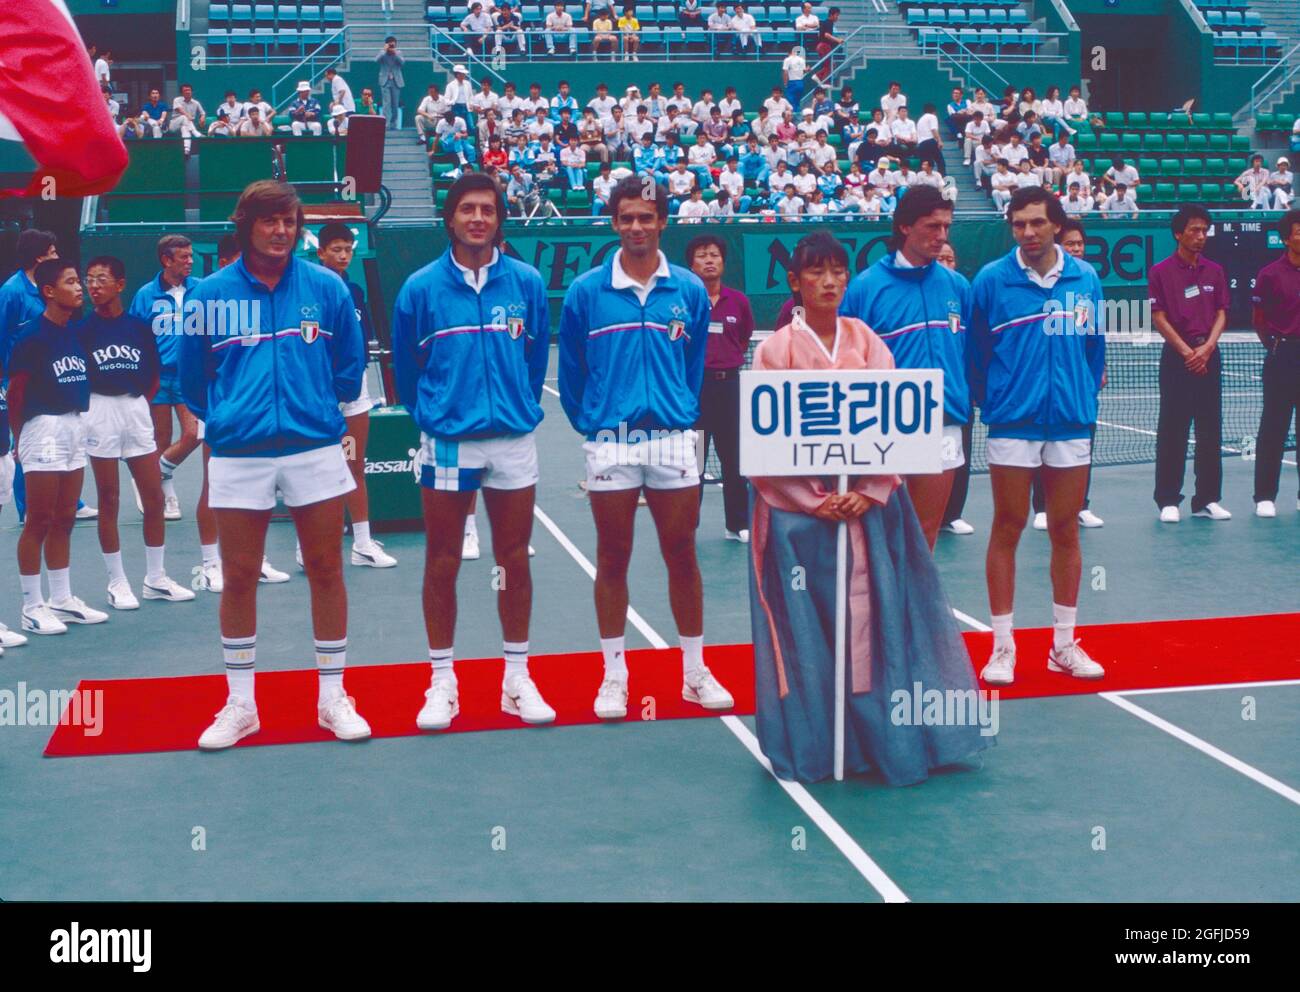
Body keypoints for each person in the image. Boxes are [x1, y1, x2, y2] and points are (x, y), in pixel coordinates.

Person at [748, 232, 989, 785]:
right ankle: (815, 743)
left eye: (838, 271)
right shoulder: (773, 351)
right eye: (816, 273)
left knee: (875, 624)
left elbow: (898, 427)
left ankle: (881, 740)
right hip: (799, 522)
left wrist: (872, 488)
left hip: (869, 513)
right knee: (807, 629)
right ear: (795, 283)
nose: (830, 282)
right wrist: (812, 498)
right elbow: (765, 443)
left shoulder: (868, 343)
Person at [179, 180, 370, 749]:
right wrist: (232, 417)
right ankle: (241, 704)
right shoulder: (209, 296)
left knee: (326, 568)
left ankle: (333, 695)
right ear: (247, 225)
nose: (282, 231)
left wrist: (315, 409)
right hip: (239, 453)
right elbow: (193, 381)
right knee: (238, 576)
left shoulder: (327, 287)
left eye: (290, 221)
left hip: (314, 448)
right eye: (270, 221)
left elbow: (349, 364)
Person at [558, 176, 734, 720]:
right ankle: (614, 674)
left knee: (682, 553)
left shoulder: (685, 290)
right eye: (627, 217)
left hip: (675, 440)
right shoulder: (587, 292)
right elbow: (572, 374)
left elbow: (690, 366)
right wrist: (595, 421)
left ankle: (694, 670)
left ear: (662, 223)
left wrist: (676, 411)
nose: (637, 227)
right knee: (613, 557)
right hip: (611, 443)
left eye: (647, 217)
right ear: (614, 223)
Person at [388, 173, 555, 730]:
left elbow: (534, 364)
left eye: (487, 209)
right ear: (451, 218)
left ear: (500, 220)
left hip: (513, 442)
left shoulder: (527, 283)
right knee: (442, 560)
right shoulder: (420, 288)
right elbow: (406, 372)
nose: (478, 218)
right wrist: (437, 417)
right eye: (467, 209)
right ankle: (442, 680)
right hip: (448, 441)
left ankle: (516, 677)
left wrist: (512, 407)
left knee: (513, 560)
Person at [968, 186, 1106, 687]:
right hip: (1012, 422)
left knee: (1065, 528)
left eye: (1036, 223)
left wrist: (1081, 399)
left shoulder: (1085, 278)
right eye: (1019, 224)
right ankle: (1003, 647)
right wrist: (997, 400)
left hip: (1070, 422)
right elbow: (976, 352)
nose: (1028, 232)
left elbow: (1093, 349)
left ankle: (1063, 645)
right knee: (1008, 524)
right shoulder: (991, 281)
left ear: (1055, 225)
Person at [840, 187, 970, 550]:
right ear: (904, 227)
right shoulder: (865, 288)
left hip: (945, 421)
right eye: (932, 226)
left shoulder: (958, 286)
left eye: (946, 226)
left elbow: (969, 352)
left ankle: (914, 608)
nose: (942, 236)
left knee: (925, 534)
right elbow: (848, 361)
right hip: (886, 427)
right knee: (879, 535)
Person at [79, 255, 194, 610]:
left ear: (120, 284)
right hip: (99, 409)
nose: (93, 286)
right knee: (109, 498)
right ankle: (117, 582)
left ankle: (155, 579)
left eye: (101, 279)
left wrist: (139, 403)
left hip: (135, 409)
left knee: (154, 498)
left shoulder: (139, 327)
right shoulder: (83, 329)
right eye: (89, 279)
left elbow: (154, 373)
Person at [9, 260, 107, 633]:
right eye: (71, 282)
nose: (80, 287)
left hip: (73, 424)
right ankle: (32, 607)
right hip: (43, 426)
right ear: (49, 291)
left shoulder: (74, 333)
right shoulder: (31, 336)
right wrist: (22, 437)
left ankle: (62, 599)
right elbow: (16, 392)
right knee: (39, 519)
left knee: (66, 516)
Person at [314, 223, 395, 568]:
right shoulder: (312, 290)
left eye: (348, 249)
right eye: (336, 249)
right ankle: (310, 546)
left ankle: (362, 543)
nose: (344, 255)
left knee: (353, 463)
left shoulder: (356, 291)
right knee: (317, 469)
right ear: (320, 252)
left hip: (355, 391)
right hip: (319, 391)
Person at [1147, 204, 1231, 523]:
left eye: (1204, 230)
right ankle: (1168, 499)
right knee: (1173, 430)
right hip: (1177, 359)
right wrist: (1186, 352)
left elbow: (1222, 311)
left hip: (1209, 356)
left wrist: (1208, 347)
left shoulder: (1215, 271)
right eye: (1194, 230)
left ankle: (1207, 499)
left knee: (1210, 429)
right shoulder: (1160, 272)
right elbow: (1158, 316)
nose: (1200, 236)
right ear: (1178, 233)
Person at [1030, 219, 1103, 530]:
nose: (1077, 248)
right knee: (1040, 443)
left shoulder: (1088, 282)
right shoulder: (1044, 287)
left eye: (1079, 244)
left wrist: (1095, 373)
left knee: (1082, 443)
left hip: (1077, 386)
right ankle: (1042, 507)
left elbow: (1093, 335)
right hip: (1040, 383)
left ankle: (1080, 505)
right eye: (1071, 243)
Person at [127, 234, 202, 525]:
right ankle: (162, 494)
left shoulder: (201, 289)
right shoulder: (145, 295)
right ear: (166, 261)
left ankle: (151, 473)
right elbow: (135, 338)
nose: (190, 261)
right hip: (156, 378)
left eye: (191, 256)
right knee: (160, 438)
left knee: (194, 433)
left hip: (189, 376)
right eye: (184, 257)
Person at [686, 235, 754, 542]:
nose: (709, 260)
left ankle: (737, 524)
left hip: (730, 390)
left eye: (714, 254)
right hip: (698, 392)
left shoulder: (738, 301)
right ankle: (688, 527)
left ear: (723, 262)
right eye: (702, 255)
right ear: (692, 264)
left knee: (734, 460)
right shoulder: (685, 300)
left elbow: (743, 336)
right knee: (695, 462)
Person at [1250, 208, 1300, 517]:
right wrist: (1278, 346)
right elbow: (1259, 321)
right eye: (1299, 231)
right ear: (1286, 238)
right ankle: (1265, 496)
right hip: (1282, 356)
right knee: (1273, 427)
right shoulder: (1269, 274)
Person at [375, 36, 405, 131]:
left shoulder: (398, 52)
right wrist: (384, 51)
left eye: (393, 44)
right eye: (390, 44)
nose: (392, 45)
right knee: (386, 103)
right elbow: (376, 60)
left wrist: (394, 53)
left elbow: (402, 63)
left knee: (395, 104)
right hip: (385, 81)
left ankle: (394, 123)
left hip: (396, 81)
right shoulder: (382, 53)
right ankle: (386, 124)